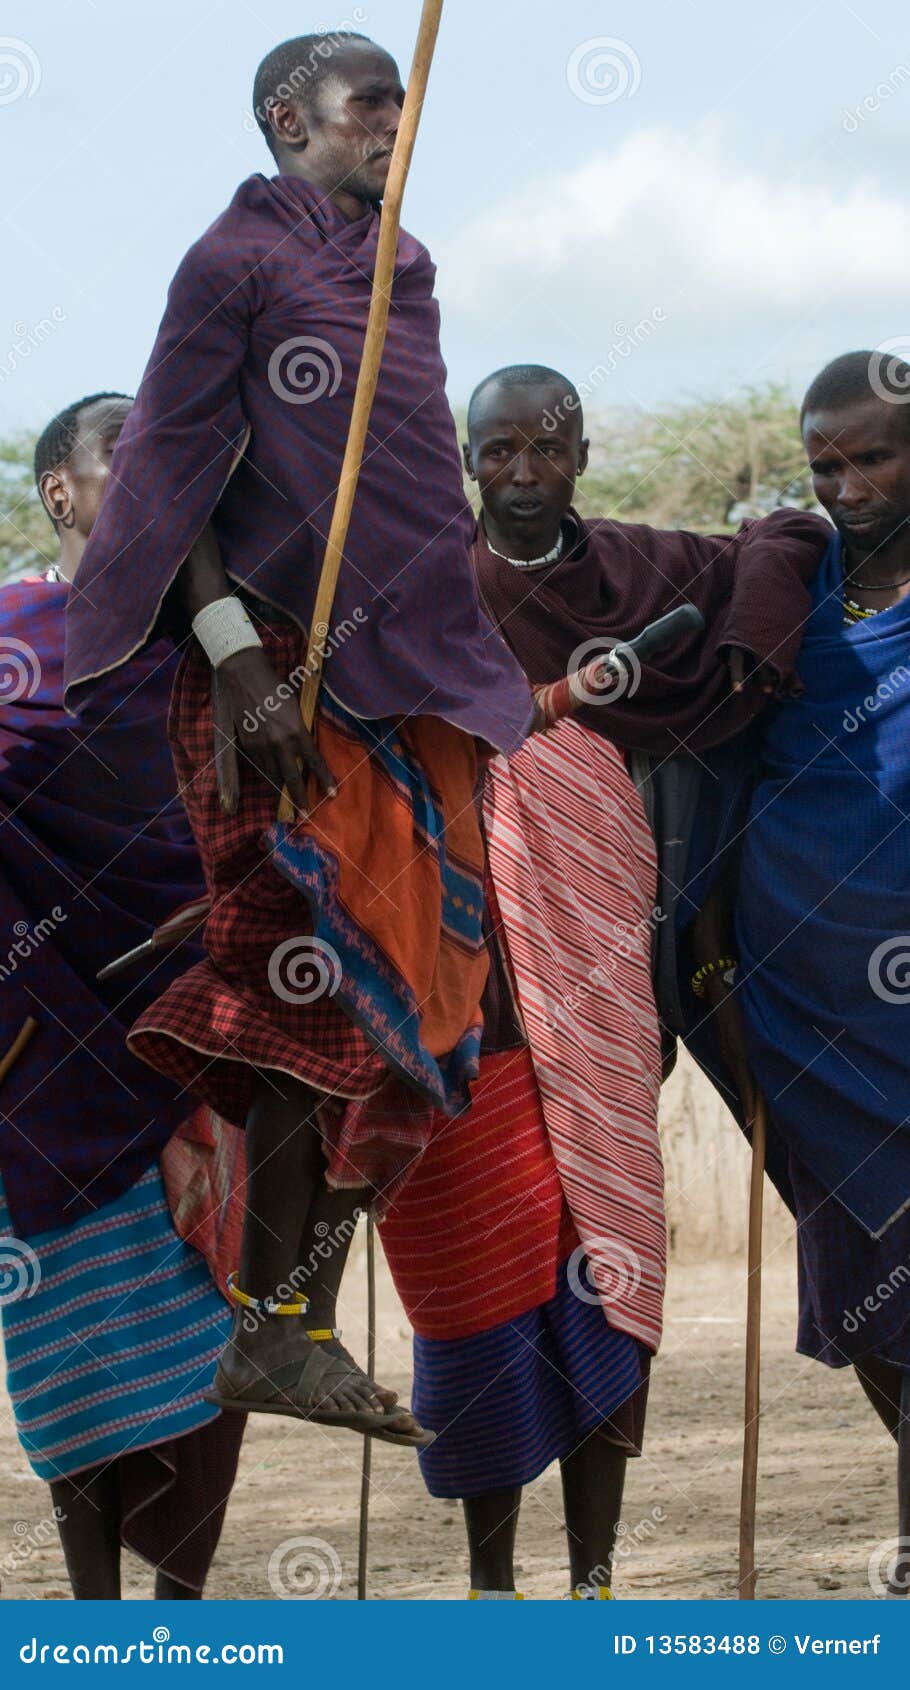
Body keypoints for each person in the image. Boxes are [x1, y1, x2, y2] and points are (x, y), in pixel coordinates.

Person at [63, 36, 533, 1446]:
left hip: (402, 682)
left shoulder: (398, 261)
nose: (398, 120)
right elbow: (171, 468)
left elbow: (389, 490)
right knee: (296, 988)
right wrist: (237, 657)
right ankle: (276, 1329)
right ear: (289, 118)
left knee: (400, 1016)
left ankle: (288, 1327)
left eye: (404, 95)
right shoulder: (232, 264)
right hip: (270, 678)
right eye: (368, 100)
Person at [377, 364, 831, 1598]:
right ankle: (489, 1586)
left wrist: (736, 657)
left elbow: (786, 536)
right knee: (480, 1298)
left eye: (544, 449)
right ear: (466, 463)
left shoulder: (639, 568)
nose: (520, 476)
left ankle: (592, 1580)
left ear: (580, 454)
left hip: (602, 985)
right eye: (495, 453)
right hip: (469, 1015)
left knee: (607, 1277)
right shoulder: (416, 584)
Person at [0, 393, 245, 1600]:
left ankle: (180, 1615)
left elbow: (277, 822)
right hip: (41, 1054)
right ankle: (94, 1612)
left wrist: (241, 899)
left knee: (209, 1347)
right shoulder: (9, 641)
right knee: (67, 1349)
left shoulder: (215, 658)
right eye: (122, 458)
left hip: (201, 1036)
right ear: (61, 491)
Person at [689, 351, 910, 1599]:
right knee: (866, 1285)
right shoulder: (783, 587)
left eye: (870, 455)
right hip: (797, 1007)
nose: (846, 484)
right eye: (825, 462)